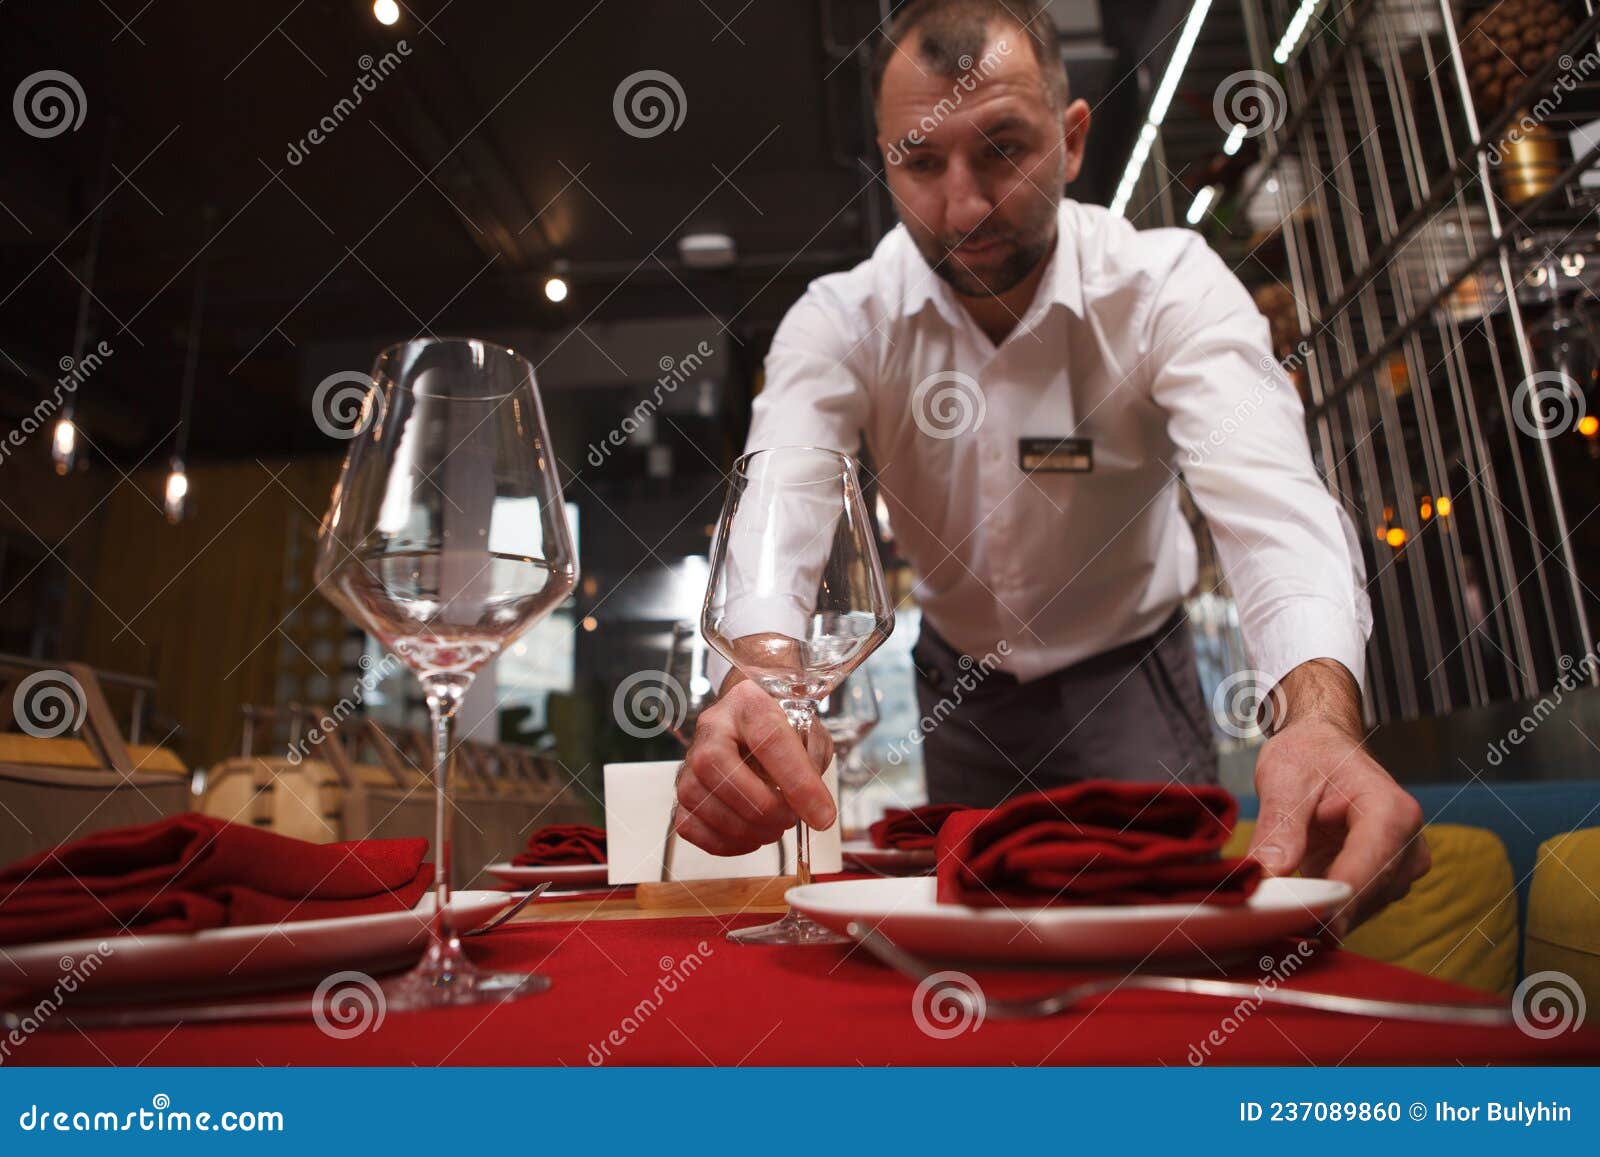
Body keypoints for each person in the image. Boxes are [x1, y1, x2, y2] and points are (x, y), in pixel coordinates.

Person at [674, 0, 1427, 932]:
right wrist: (757, 678)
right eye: (920, 161)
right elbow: (783, 500)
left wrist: (1318, 718)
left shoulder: (1165, 286)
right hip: (960, 689)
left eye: (1002, 148)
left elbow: (1273, 507)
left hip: (1133, 676)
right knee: (974, 946)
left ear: (1072, 141)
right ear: (884, 159)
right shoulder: (841, 319)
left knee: (1167, 953)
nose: (964, 204)